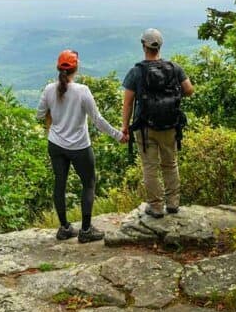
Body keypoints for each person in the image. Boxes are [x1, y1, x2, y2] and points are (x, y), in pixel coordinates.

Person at [37, 49, 126, 243]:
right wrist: (118, 135)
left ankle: (64, 228)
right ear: (76, 68)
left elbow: (40, 114)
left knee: (59, 183)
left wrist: (55, 120)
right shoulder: (82, 91)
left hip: (56, 144)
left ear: (58, 68)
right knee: (88, 183)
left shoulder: (49, 89)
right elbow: (98, 120)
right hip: (79, 146)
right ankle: (85, 231)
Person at [121, 28, 194, 218]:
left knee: (150, 167)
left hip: (145, 127)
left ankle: (156, 207)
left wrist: (125, 127)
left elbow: (128, 102)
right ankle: (173, 204)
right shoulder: (174, 68)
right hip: (170, 125)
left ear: (143, 46)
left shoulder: (136, 71)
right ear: (160, 46)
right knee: (170, 164)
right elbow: (189, 90)